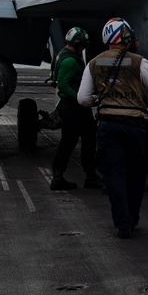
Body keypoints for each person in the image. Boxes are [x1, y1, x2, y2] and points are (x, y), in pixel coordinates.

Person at [77, 18, 148, 239]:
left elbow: (83, 99)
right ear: (126, 36)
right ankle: (132, 218)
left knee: (114, 176)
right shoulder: (140, 62)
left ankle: (122, 223)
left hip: (108, 126)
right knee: (136, 174)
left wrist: (104, 99)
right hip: (135, 127)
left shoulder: (93, 63)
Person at [49, 27, 101, 191]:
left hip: (72, 107)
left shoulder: (63, 54)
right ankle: (84, 176)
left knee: (77, 141)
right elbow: (62, 85)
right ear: (78, 43)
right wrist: (81, 97)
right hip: (74, 107)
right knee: (82, 141)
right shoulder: (70, 61)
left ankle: (86, 175)